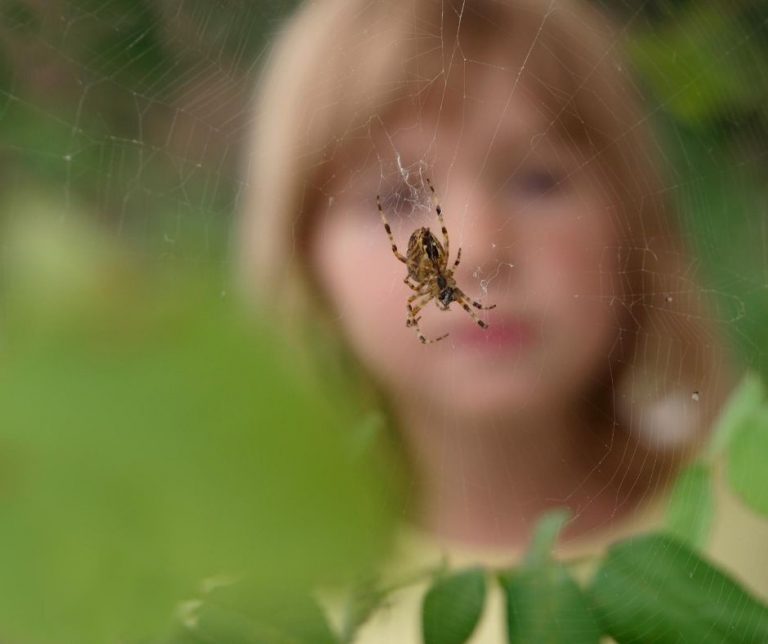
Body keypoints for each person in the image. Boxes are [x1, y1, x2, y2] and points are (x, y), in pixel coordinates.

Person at [239, 0, 764, 639]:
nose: (480, 249)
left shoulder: (749, 520)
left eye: (538, 182)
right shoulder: (268, 593)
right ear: (304, 262)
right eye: (398, 197)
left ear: (633, 229)